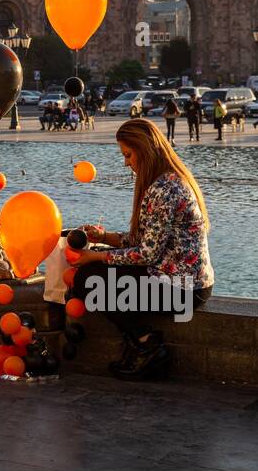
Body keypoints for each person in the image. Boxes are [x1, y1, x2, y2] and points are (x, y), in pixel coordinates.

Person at [71, 118, 213, 379]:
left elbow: (147, 254)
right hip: (180, 281)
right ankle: (139, 343)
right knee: (97, 271)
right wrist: (105, 237)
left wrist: (98, 254)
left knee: (89, 279)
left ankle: (147, 343)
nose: (126, 163)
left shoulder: (163, 189)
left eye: (128, 154)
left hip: (182, 290)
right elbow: (146, 241)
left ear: (144, 150)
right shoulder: (169, 180)